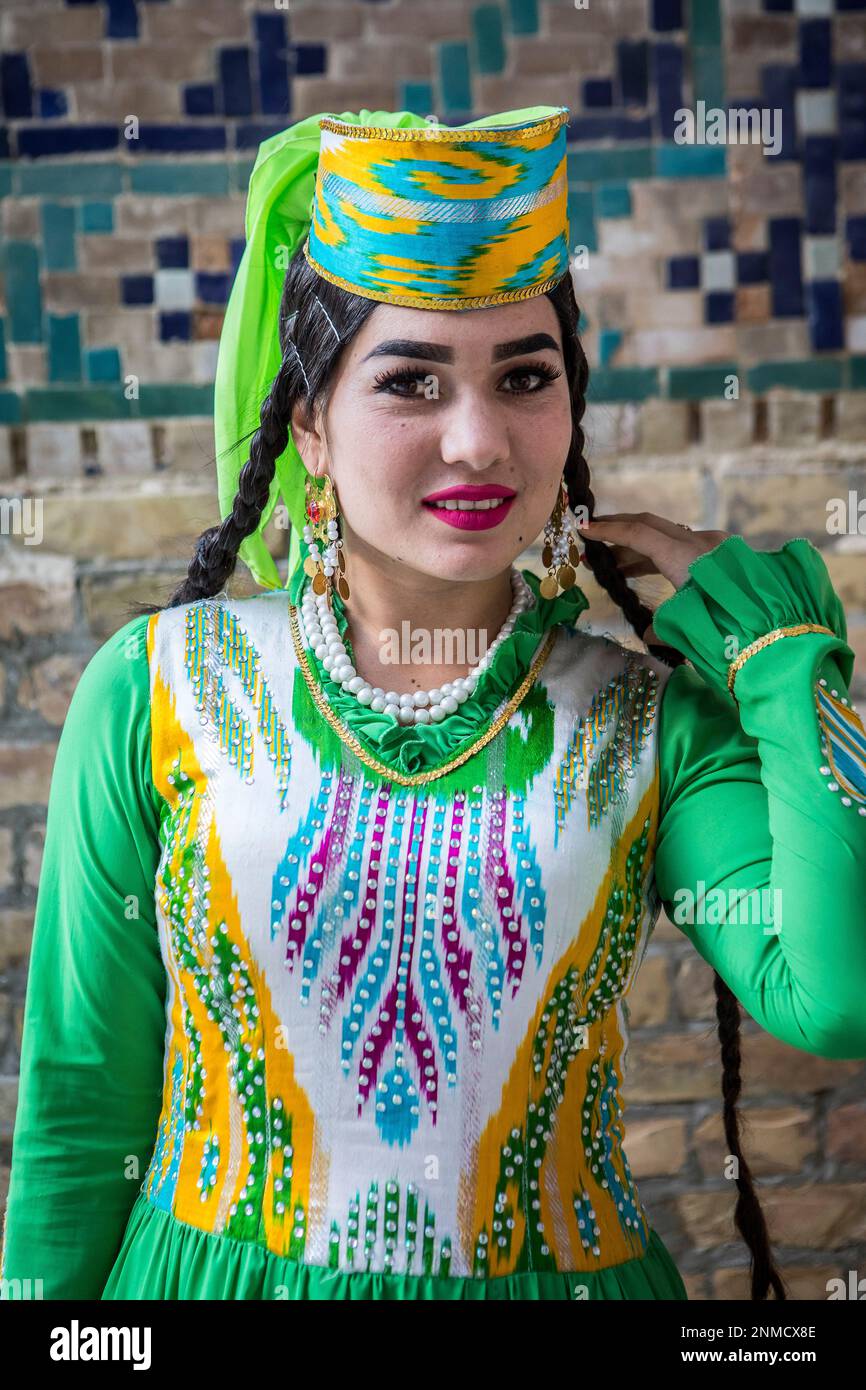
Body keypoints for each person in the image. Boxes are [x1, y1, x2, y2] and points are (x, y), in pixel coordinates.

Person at [2, 105, 865, 1303]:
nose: (479, 440)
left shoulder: (647, 727)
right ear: (307, 421)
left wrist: (779, 651)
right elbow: (78, 1117)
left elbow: (836, 993)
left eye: (525, 377)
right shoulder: (158, 690)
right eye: (409, 382)